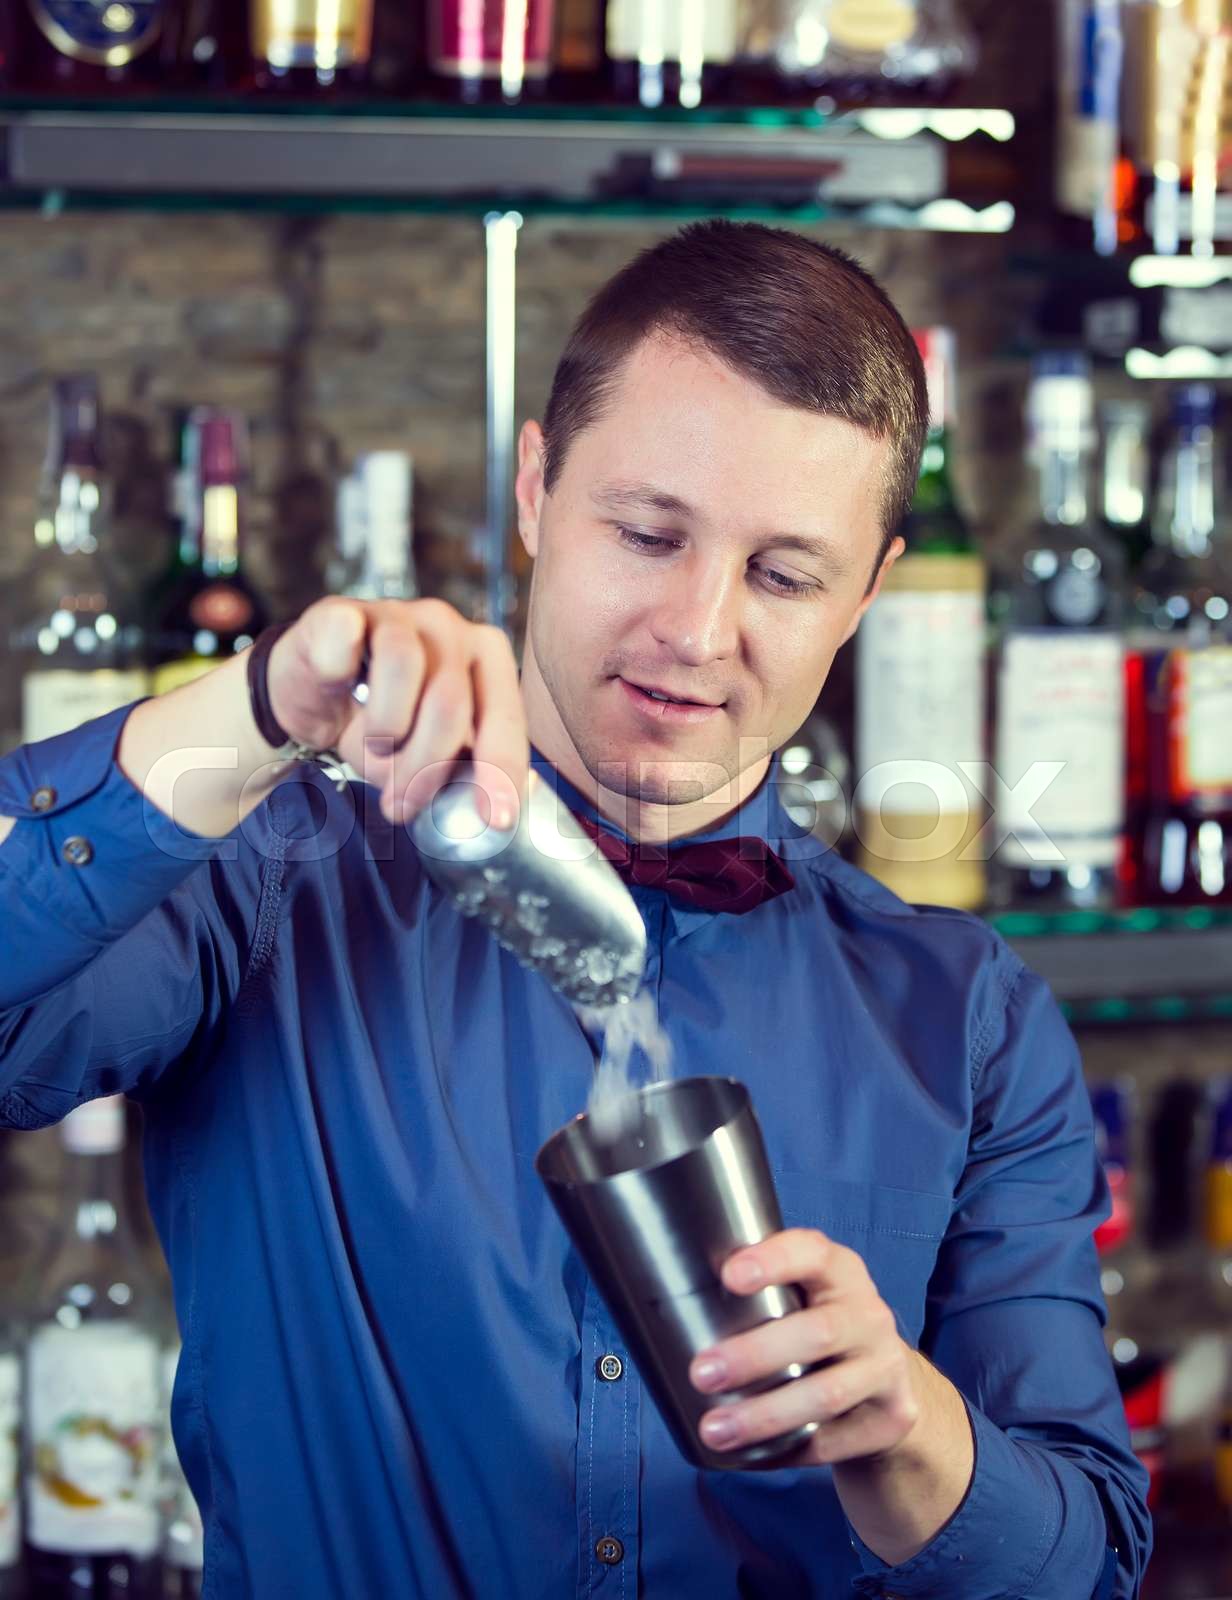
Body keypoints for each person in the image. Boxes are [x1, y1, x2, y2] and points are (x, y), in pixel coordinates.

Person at [0, 220, 1151, 1599]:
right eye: (649, 531)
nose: (698, 626)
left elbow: (1089, 1561)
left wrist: (912, 1433)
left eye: (785, 575)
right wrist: (261, 710)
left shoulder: (969, 1020)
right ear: (537, 490)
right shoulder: (269, 884)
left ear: (868, 595)